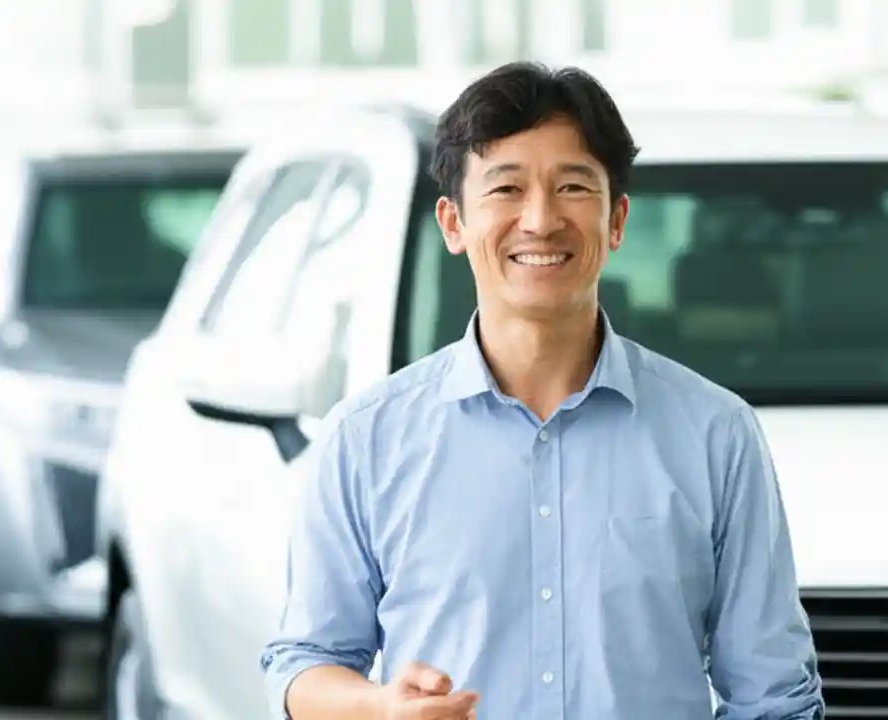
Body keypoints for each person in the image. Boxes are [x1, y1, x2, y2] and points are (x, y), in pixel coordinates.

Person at [260, 62, 823, 719]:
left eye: (573, 187)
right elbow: (302, 665)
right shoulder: (366, 437)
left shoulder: (715, 433)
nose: (540, 219)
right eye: (506, 188)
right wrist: (379, 708)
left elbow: (775, 697)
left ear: (616, 220)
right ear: (453, 223)